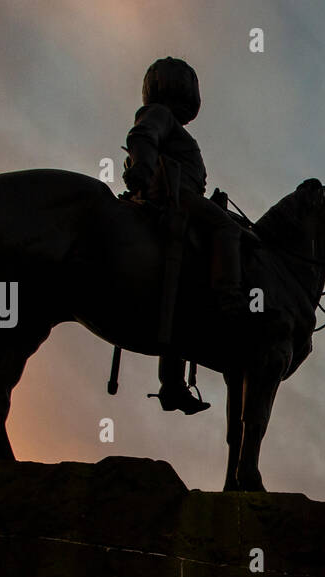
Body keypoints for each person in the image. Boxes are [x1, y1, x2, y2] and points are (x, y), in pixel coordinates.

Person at [122, 57, 248, 414]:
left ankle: (172, 385)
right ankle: (229, 299)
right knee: (226, 228)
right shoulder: (159, 114)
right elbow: (142, 137)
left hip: (183, 198)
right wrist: (143, 170)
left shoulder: (174, 125)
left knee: (183, 295)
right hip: (173, 199)